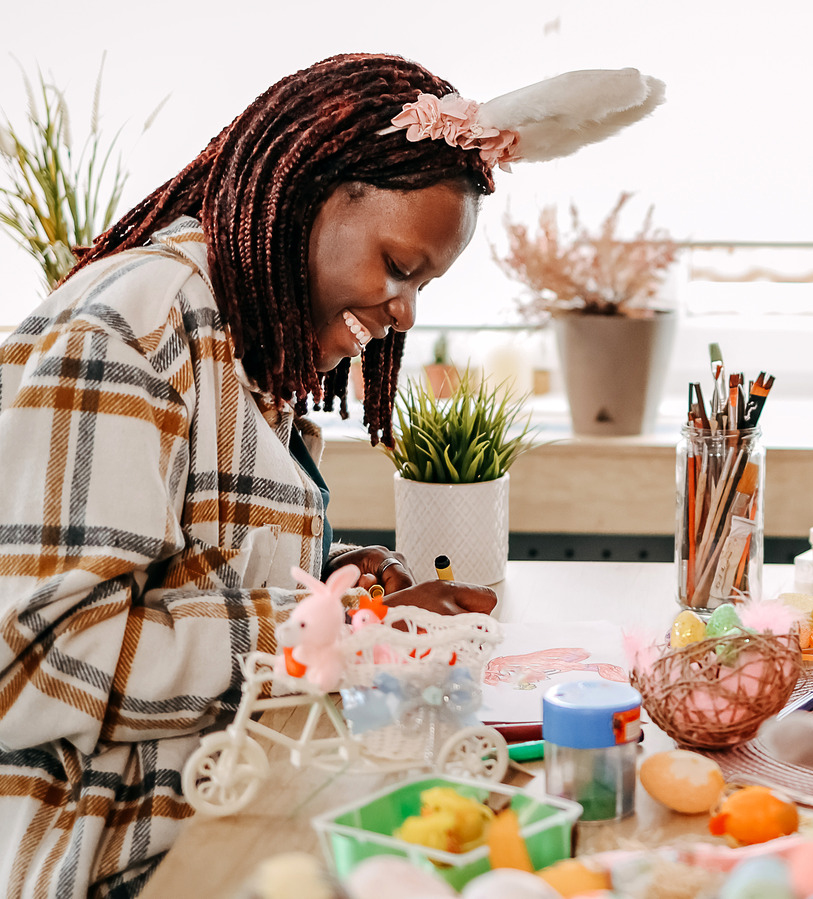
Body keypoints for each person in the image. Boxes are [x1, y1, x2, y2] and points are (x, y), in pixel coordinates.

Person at [0, 54, 661, 898]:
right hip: (114, 853)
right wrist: (339, 631)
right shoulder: (134, 326)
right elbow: (38, 662)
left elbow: (188, 566)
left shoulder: (245, 336)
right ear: (313, 193)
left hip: (227, 800)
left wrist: (341, 577)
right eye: (398, 265)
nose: (405, 313)